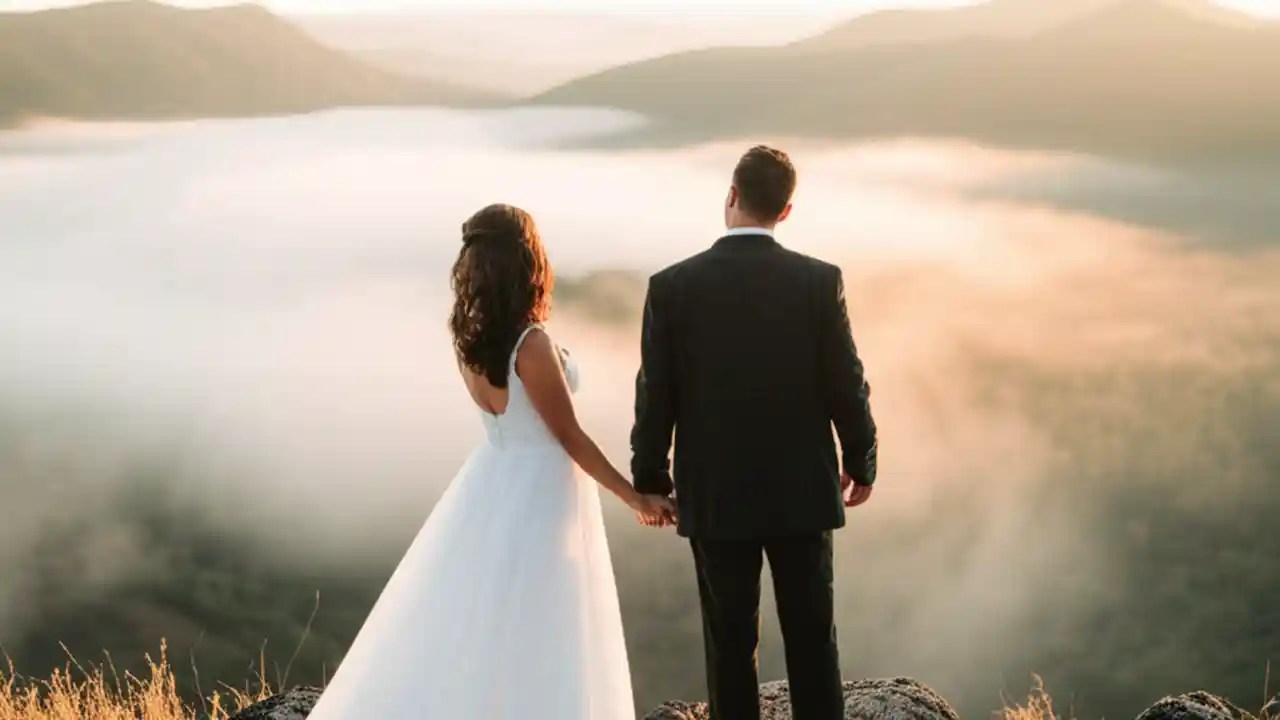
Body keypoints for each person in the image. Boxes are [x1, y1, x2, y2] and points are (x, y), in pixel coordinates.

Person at [307, 203, 673, 719]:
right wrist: (635, 496)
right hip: (543, 490)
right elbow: (568, 435)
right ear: (528, 260)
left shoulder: (469, 340)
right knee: (548, 621)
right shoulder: (531, 345)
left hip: (495, 481)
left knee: (488, 621)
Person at [631, 145, 879, 720]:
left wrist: (650, 478)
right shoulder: (819, 282)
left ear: (732, 196)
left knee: (729, 646)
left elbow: (656, 394)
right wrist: (860, 457)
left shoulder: (671, 288)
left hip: (716, 494)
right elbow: (847, 380)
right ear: (786, 211)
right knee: (814, 640)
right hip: (802, 490)